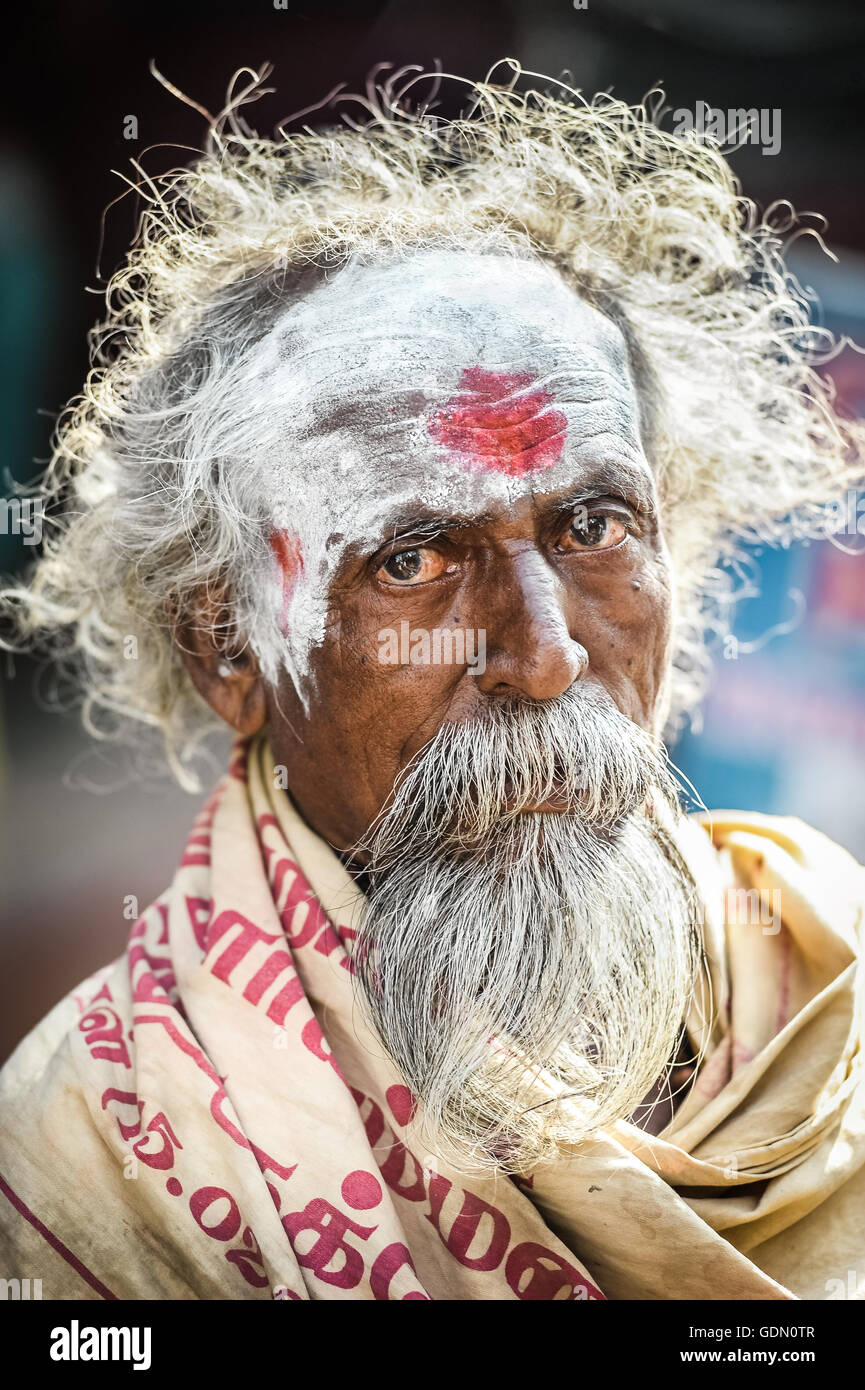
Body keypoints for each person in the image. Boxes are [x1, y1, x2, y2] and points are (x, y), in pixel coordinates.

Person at [1, 67, 863, 1301]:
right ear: (229, 648)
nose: (547, 653)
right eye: (411, 557)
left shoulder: (834, 972)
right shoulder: (98, 1152)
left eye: (595, 525)